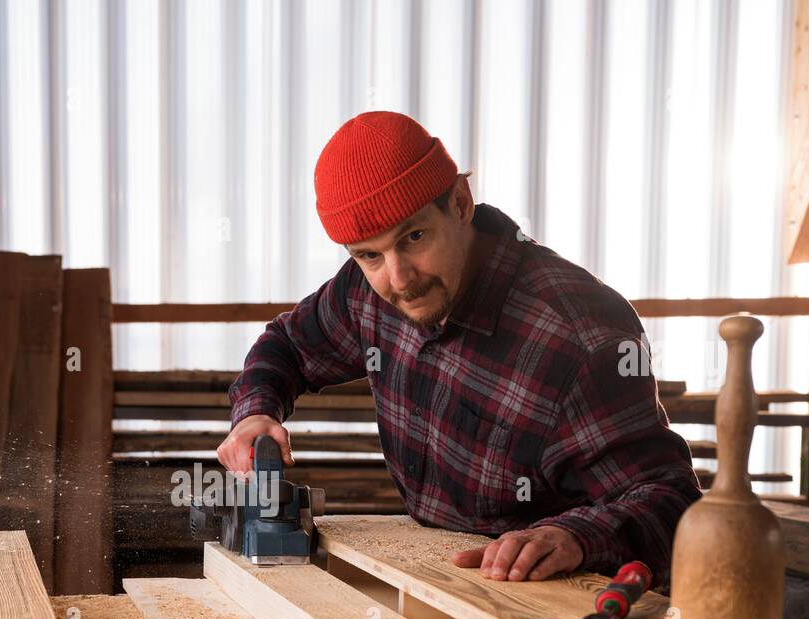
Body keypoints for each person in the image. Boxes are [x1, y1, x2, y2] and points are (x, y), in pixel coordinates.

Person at [219, 111, 701, 584]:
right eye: (370, 255)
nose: (400, 279)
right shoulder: (366, 291)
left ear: (461, 202)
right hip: (438, 575)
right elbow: (286, 343)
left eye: (415, 236)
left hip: (560, 602)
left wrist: (573, 537)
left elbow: (671, 501)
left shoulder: (581, 334)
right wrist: (256, 413)